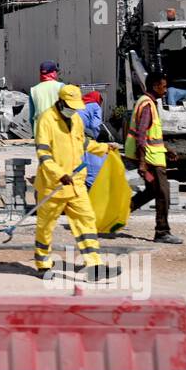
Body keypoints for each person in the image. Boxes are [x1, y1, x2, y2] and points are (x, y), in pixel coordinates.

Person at [33, 85, 114, 280]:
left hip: (76, 183)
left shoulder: (76, 119)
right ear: (60, 102)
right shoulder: (46, 120)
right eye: (70, 106)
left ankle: (94, 265)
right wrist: (60, 174)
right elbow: (43, 153)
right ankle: (43, 264)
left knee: (86, 220)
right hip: (54, 185)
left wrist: (103, 147)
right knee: (46, 226)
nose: (73, 110)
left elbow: (82, 144)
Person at [126, 71, 182, 244]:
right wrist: (142, 163)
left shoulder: (146, 103)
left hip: (151, 157)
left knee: (152, 190)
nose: (165, 90)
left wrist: (167, 149)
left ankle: (119, 213)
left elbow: (151, 134)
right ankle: (162, 232)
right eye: (163, 86)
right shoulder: (148, 105)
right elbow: (142, 135)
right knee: (163, 193)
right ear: (154, 86)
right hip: (151, 161)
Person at [78, 90, 106, 189]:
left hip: (73, 136)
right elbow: (95, 124)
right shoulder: (95, 106)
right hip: (85, 135)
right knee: (93, 163)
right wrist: (95, 136)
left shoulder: (79, 104)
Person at [28, 60, 63, 132]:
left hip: (40, 132)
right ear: (53, 73)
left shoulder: (33, 90)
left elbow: (31, 117)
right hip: (58, 131)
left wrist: (34, 134)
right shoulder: (62, 87)